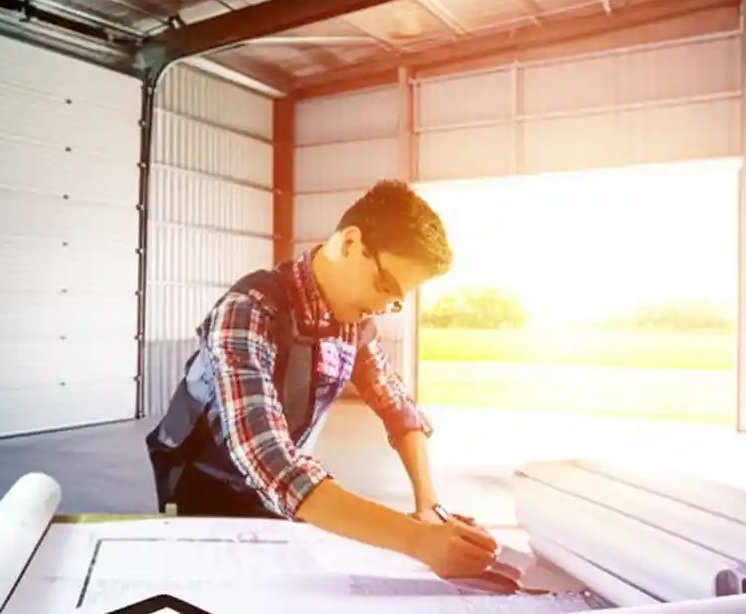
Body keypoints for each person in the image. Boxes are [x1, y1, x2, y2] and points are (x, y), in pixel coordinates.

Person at [145, 179, 504, 581]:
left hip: (280, 491)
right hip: (202, 484)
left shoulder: (354, 322)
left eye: (397, 299)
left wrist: (429, 506)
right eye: (385, 286)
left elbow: (397, 406)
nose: (385, 307)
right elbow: (271, 461)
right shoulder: (249, 310)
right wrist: (419, 542)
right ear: (350, 244)